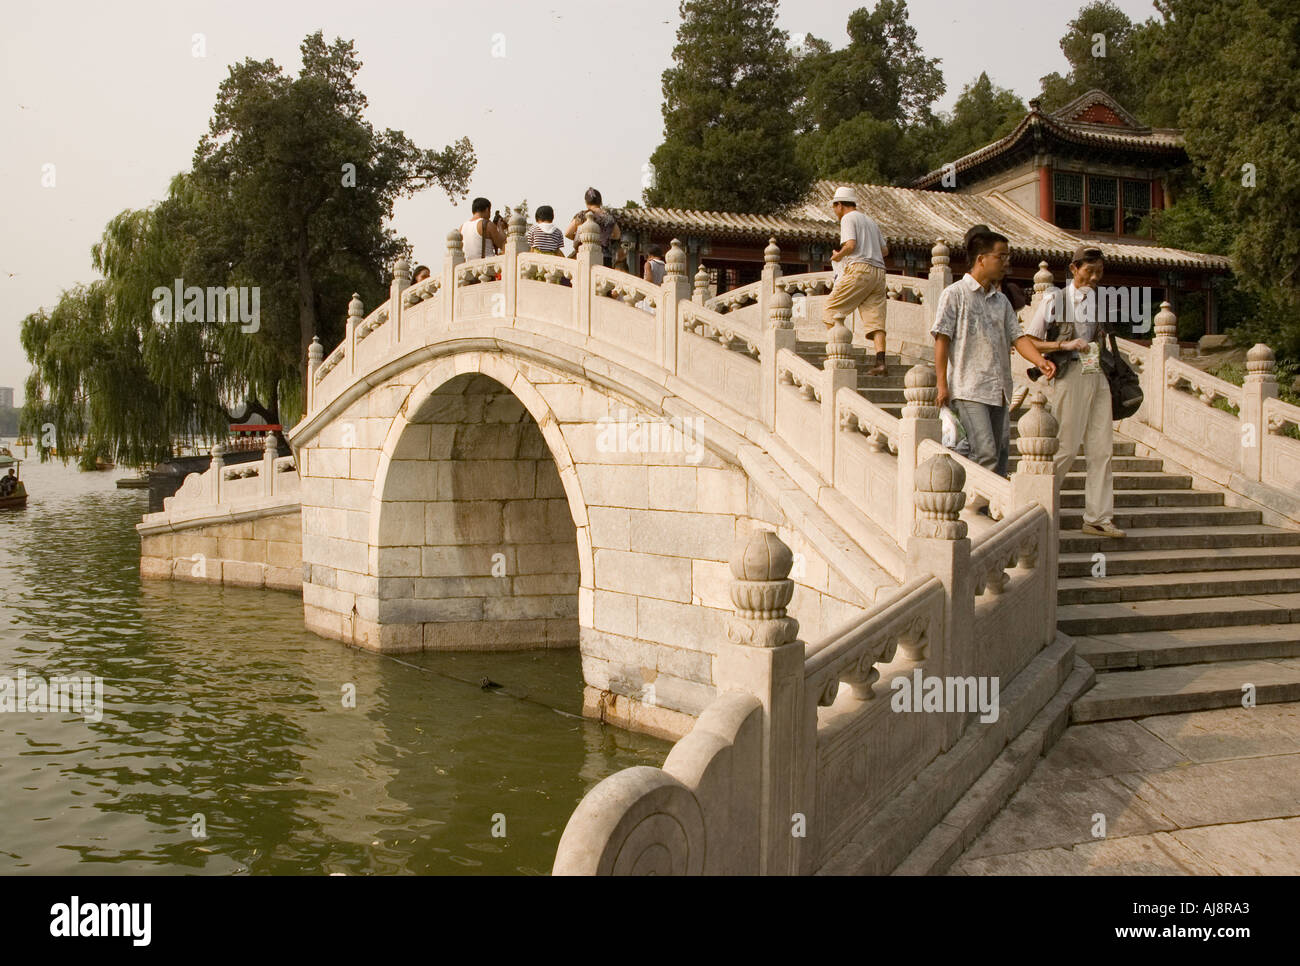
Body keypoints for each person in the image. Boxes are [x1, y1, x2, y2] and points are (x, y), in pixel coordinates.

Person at [932, 227, 1057, 478]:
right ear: (981, 259)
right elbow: (942, 339)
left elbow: (1018, 338)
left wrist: (1040, 361)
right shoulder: (954, 294)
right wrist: (941, 383)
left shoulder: (1001, 301)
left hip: (999, 390)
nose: (1006, 263)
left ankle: (988, 509)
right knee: (986, 451)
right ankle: (975, 508)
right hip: (969, 388)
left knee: (999, 454)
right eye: (1001, 257)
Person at [1025, 245, 1124, 537]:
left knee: (1101, 448)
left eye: (1099, 272)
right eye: (1089, 271)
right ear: (1074, 269)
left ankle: (1098, 517)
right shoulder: (1055, 299)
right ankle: (1035, 504)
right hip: (1070, 373)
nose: (1095, 277)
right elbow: (1029, 341)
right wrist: (1063, 346)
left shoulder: (1099, 301)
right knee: (1066, 445)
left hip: (1096, 371)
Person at [823, 186, 890, 376]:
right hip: (879, 272)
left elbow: (850, 245)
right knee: (876, 321)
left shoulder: (848, 218)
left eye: (834, 206)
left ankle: (838, 351)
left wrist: (838, 255)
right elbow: (885, 251)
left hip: (860, 269)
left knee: (830, 309)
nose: (834, 211)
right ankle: (881, 363)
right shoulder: (871, 222)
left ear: (839, 205)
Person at [564, 187, 620, 267]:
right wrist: (605, 237)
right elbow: (617, 235)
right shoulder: (609, 217)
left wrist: (582, 237)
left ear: (586, 202)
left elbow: (567, 233)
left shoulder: (582, 216)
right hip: (604, 256)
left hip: (583, 254)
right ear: (600, 201)